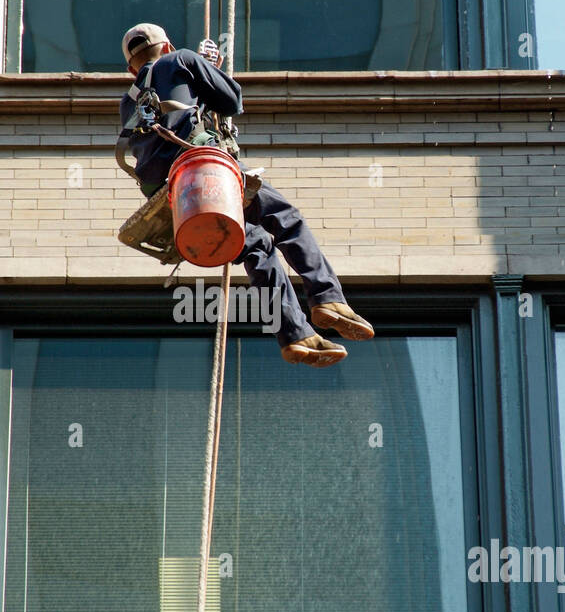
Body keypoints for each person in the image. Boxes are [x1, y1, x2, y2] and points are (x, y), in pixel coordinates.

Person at [117, 22, 374, 368]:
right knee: (286, 219)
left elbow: (167, 124)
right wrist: (206, 69)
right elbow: (232, 100)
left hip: (172, 195)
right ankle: (327, 298)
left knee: (255, 244)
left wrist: (200, 79)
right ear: (166, 47)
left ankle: (295, 335)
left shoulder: (127, 102)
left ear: (132, 67)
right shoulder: (181, 60)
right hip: (202, 171)